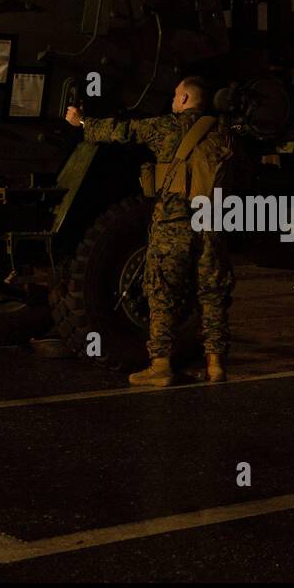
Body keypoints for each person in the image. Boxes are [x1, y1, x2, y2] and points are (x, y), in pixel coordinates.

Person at [64, 76, 235, 385]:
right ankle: (216, 365)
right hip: (212, 224)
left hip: (174, 225)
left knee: (162, 292)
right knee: (212, 294)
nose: (172, 99)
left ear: (184, 100)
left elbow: (123, 131)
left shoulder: (166, 127)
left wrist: (83, 123)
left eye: (175, 95)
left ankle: (160, 366)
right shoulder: (222, 132)